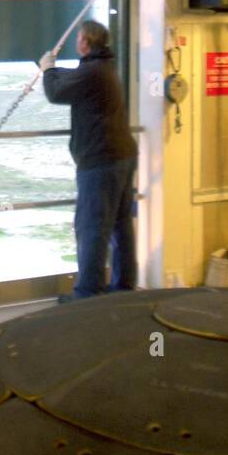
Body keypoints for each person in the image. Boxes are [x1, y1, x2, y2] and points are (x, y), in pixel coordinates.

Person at [40, 19, 138, 299]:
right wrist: (54, 70)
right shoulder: (102, 68)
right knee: (120, 224)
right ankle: (123, 287)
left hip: (101, 161)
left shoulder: (94, 72)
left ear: (85, 42)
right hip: (122, 155)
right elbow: (71, 81)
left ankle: (88, 293)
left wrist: (47, 69)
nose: (77, 42)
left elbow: (56, 91)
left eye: (79, 38)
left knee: (92, 226)